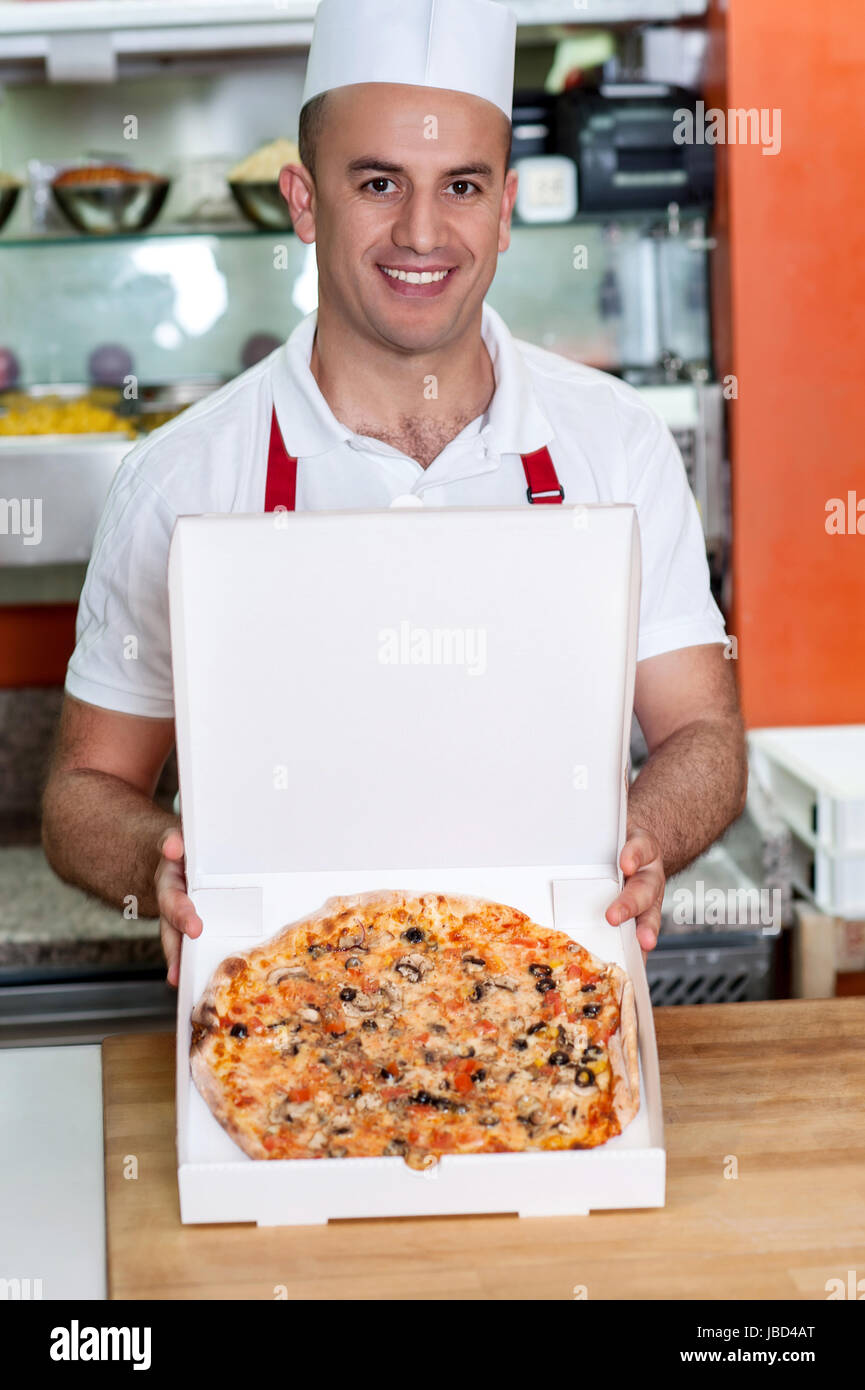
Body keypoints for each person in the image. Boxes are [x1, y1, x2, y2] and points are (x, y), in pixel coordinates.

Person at [42, 0, 747, 986]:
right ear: (303, 198)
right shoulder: (181, 475)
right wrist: (156, 866)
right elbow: (84, 790)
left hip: (549, 997)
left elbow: (703, 733)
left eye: (461, 185)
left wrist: (641, 830)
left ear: (503, 210)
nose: (423, 231)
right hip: (276, 1008)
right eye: (378, 182)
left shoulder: (616, 444)